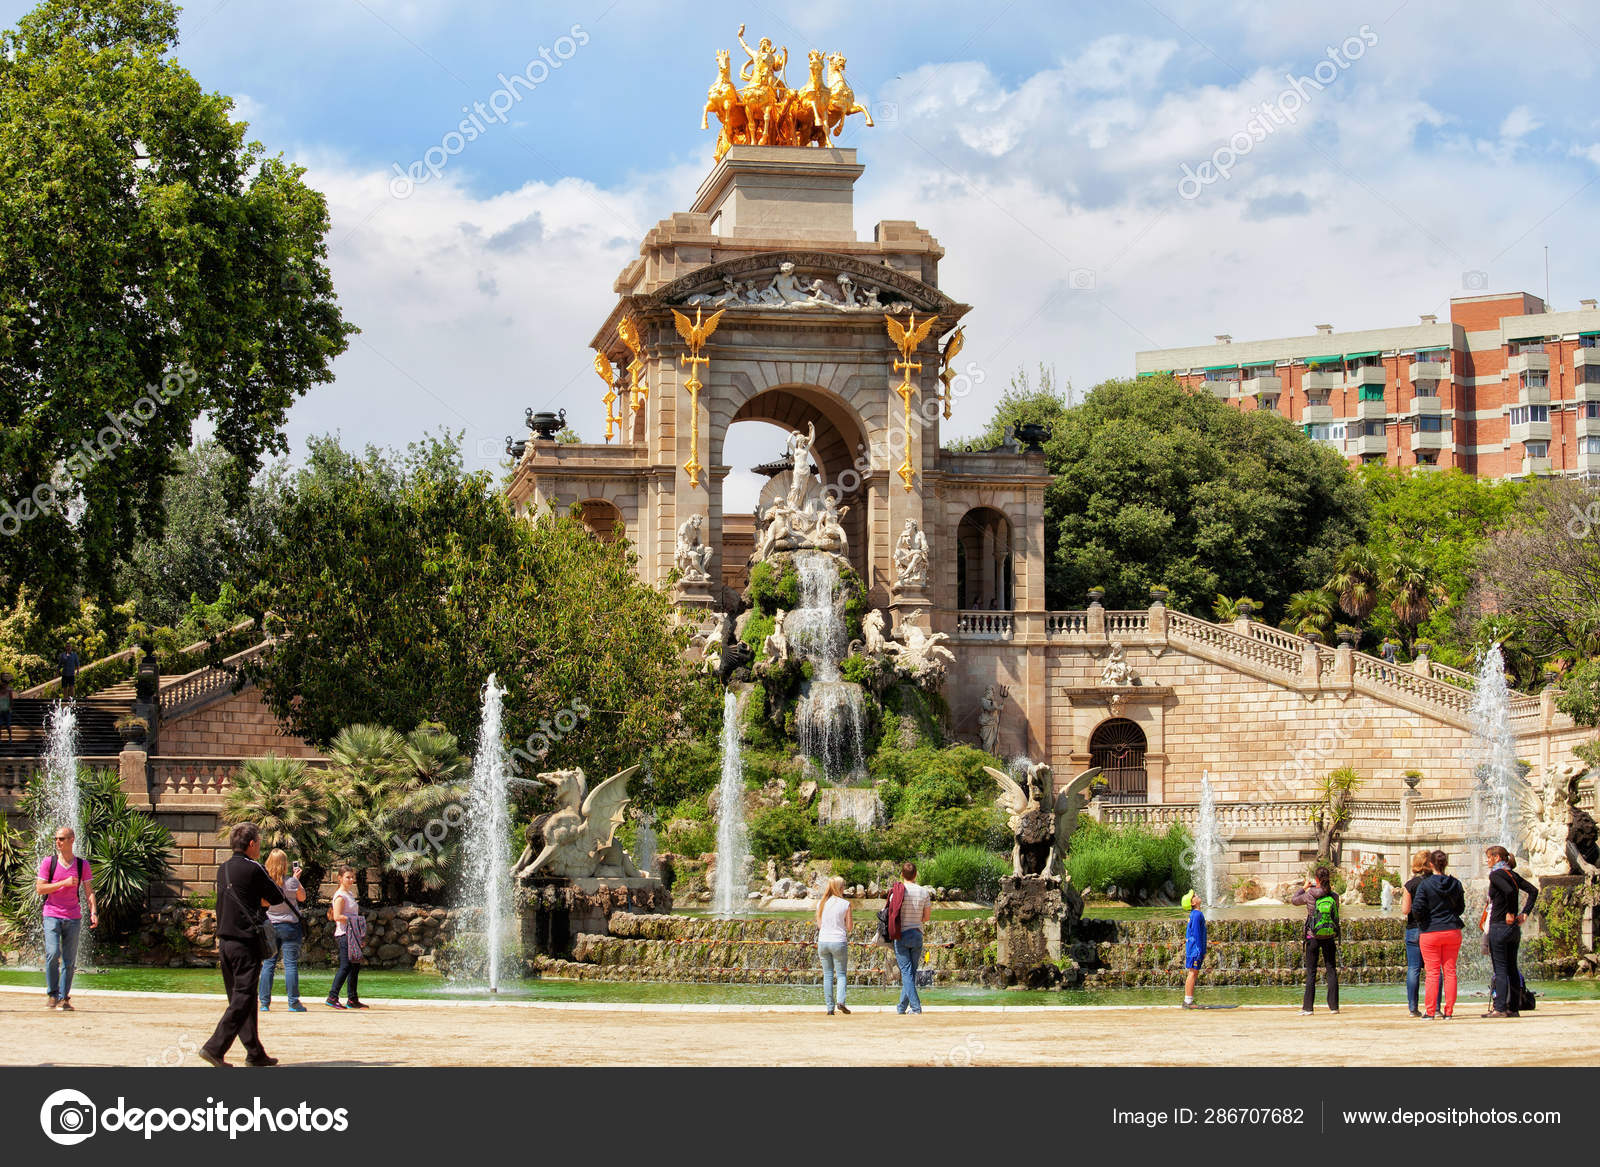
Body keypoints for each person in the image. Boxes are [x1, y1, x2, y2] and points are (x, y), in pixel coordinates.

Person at [200, 822, 286, 1067]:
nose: (259, 846)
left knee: (240, 999)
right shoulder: (254, 868)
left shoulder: (223, 869)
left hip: (224, 942)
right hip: (246, 942)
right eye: (258, 842)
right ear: (251, 844)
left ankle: (255, 1053)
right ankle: (214, 1048)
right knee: (243, 998)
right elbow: (276, 897)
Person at [35, 825, 97, 1010]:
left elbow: (89, 891)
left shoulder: (81, 865)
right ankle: (52, 995)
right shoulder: (49, 862)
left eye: (61, 838)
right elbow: (40, 889)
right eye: (56, 839)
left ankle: (64, 998)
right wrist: (63, 883)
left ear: (72, 840)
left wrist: (93, 912)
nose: (58, 842)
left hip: (73, 916)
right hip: (51, 914)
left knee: (69, 961)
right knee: (53, 953)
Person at [1483, 845, 1538, 1018]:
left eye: (1489, 857)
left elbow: (1508, 892)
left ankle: (1499, 1008)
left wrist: (1511, 912)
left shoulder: (1496, 874)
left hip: (1499, 926)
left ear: (1497, 858)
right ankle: (1513, 1008)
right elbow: (1533, 891)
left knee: (1500, 969)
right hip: (1513, 929)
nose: (1487, 860)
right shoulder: (1511, 874)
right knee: (1512, 968)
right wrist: (1525, 913)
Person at [1411, 848, 1466, 1019]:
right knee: (1450, 971)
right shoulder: (1456, 884)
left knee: (1432, 972)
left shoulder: (1425, 884)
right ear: (1446, 863)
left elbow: (1417, 908)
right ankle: (1449, 1012)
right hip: (1452, 930)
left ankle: (1430, 1010)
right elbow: (1461, 908)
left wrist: (1424, 922)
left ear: (1431, 864)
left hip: (1431, 931)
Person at [258, 850, 306, 1013]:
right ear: (285, 864)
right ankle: (293, 1002)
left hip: (271, 925)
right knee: (290, 964)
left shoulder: (265, 883)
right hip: (290, 926)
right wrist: (297, 879)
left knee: (268, 964)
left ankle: (264, 1003)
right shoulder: (291, 882)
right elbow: (302, 898)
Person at [1291, 868, 1340, 1015]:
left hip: (1313, 936)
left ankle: (1308, 1008)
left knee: (1311, 972)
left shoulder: (1310, 895)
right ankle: (1334, 1007)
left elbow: (1294, 900)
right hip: (1329, 936)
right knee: (1331, 970)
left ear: (1316, 879)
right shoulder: (1334, 895)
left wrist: (1304, 887)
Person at [325, 865, 369, 1010]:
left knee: (355, 966)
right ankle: (332, 996)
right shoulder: (340, 896)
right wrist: (353, 920)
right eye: (347, 877)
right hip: (344, 935)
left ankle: (352, 999)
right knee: (345, 966)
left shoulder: (349, 894)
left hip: (353, 935)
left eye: (352, 877)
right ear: (340, 878)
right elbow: (337, 917)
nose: (351, 880)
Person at [891, 860, 932, 1015]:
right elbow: (926, 917)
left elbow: (891, 914)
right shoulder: (924, 892)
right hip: (917, 934)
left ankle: (916, 1008)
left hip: (901, 935)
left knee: (907, 973)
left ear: (902, 875)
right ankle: (901, 1007)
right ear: (915, 875)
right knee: (911, 973)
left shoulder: (897, 892)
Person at [1401, 850, 1432, 1018]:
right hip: (1431, 929)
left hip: (1413, 929)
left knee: (1413, 969)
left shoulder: (1410, 885)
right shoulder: (1434, 882)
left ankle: (1413, 1008)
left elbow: (1405, 910)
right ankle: (1434, 1007)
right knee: (1433, 970)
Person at [815, 875, 852, 1016]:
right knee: (841, 974)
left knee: (828, 975)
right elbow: (849, 927)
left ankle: (830, 1008)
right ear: (840, 888)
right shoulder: (845, 904)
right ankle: (841, 1001)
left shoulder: (821, 904)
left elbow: (819, 925)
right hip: (838, 941)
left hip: (823, 941)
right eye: (843, 886)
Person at [1182, 889, 1206, 1009]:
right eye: (1194, 896)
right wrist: (1201, 950)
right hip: (1195, 949)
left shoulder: (1194, 914)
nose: (1197, 896)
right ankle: (1188, 1001)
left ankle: (1189, 999)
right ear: (1193, 903)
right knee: (1192, 973)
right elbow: (1196, 933)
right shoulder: (1197, 914)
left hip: (1193, 948)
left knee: (1193, 972)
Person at [0, 672, 14, 742]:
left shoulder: (9, 691)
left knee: (8, 726)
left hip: (7, 711)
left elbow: (11, 701)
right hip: (0, 711)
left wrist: (10, 708)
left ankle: (10, 738)